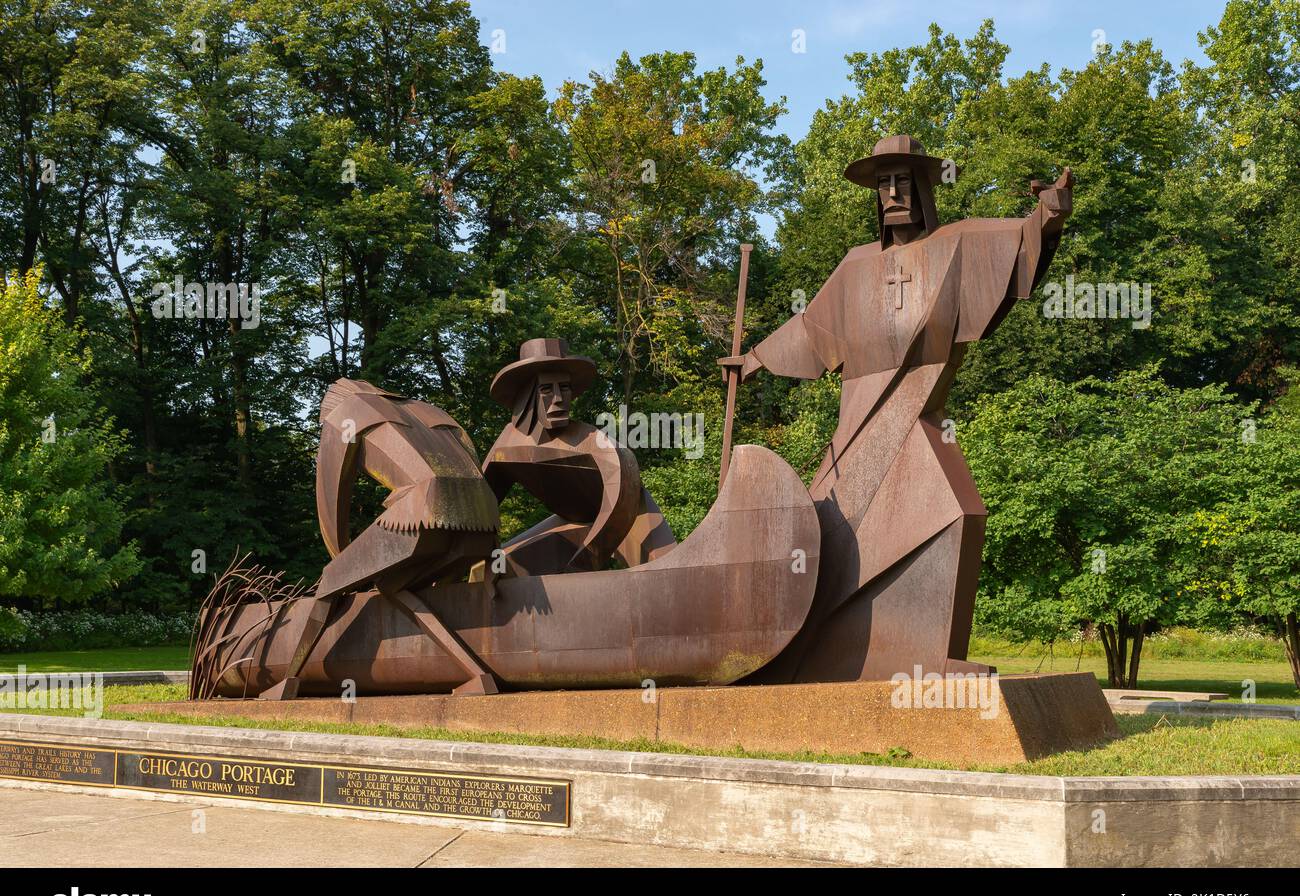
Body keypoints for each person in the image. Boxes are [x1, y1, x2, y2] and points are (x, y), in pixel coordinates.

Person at [721, 134, 1074, 683]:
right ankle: (806, 649)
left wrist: (1048, 213)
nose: (892, 192)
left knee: (954, 514)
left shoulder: (955, 245)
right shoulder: (855, 265)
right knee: (841, 535)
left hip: (916, 402)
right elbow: (813, 329)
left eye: (903, 181)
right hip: (858, 419)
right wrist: (755, 359)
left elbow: (1020, 243)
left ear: (925, 188)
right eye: (884, 183)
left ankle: (926, 655)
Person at [262, 378, 502, 699]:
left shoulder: (345, 414)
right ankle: (478, 674)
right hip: (484, 512)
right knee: (393, 586)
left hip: (423, 509)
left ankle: (288, 682)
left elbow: (331, 505)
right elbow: (471, 456)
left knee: (330, 581)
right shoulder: (429, 410)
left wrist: (344, 565)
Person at [482, 338, 676, 575]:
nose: (558, 399)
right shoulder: (505, 447)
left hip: (629, 515)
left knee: (669, 574)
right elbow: (477, 507)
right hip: (570, 519)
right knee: (490, 568)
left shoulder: (591, 442)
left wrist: (585, 558)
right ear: (527, 396)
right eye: (546, 389)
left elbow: (624, 480)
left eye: (564, 387)